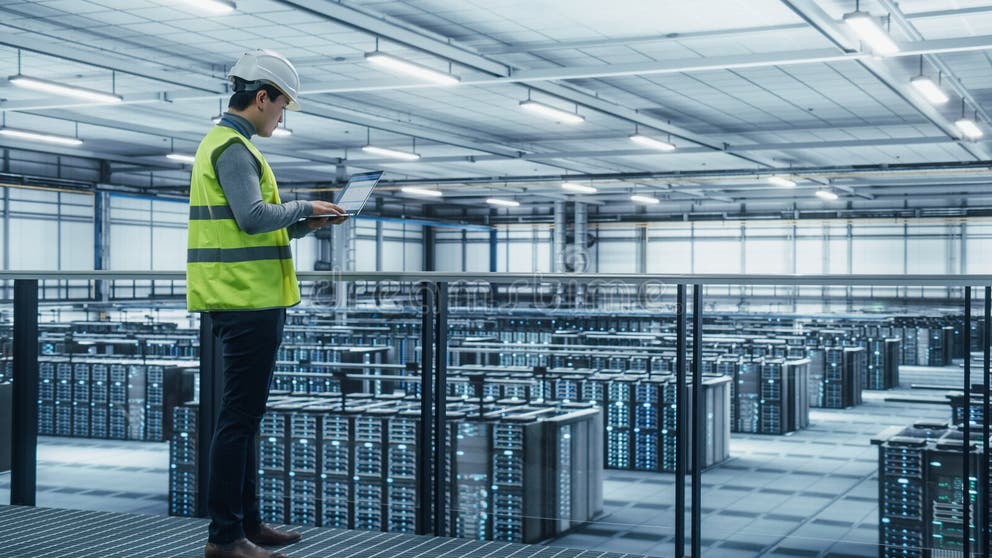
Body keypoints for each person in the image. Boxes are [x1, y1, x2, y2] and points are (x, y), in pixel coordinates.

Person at [186, 49, 347, 558]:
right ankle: (225, 537)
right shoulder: (232, 148)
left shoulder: (235, 144)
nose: (282, 116)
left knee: (245, 417)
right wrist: (303, 206)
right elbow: (254, 217)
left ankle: (247, 524)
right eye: (282, 107)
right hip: (244, 300)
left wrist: (306, 224)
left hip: (246, 297)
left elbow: (249, 225)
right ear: (262, 98)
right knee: (237, 420)